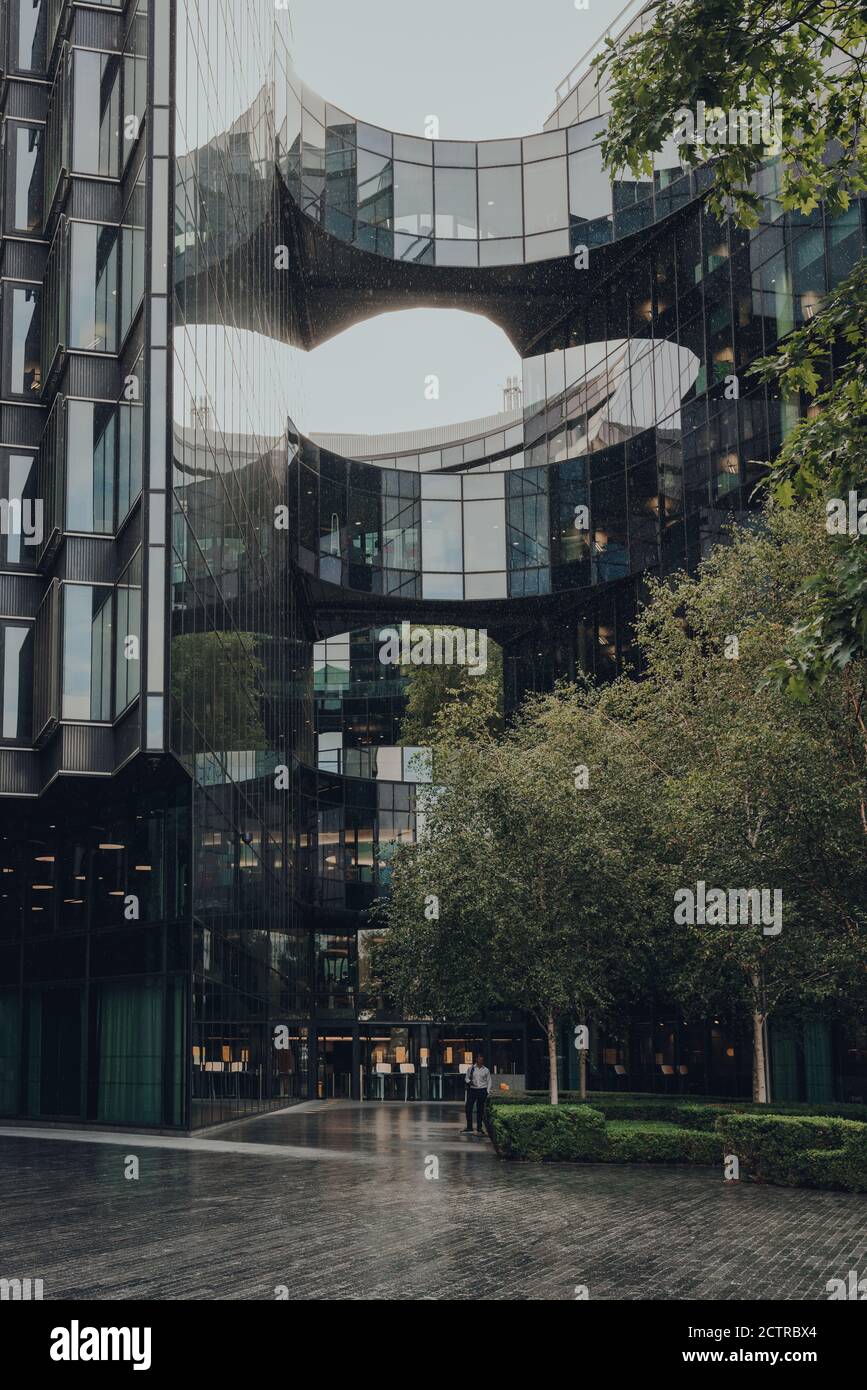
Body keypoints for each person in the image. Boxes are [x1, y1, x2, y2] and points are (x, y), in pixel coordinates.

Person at [462, 1052, 491, 1135]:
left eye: (482, 1059)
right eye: (479, 1059)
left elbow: (489, 1081)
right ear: (476, 1059)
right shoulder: (471, 1068)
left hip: (482, 1090)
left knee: (480, 1110)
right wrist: (469, 1082)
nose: (481, 1061)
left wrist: (487, 1091)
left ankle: (479, 1128)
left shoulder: (486, 1070)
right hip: (473, 1090)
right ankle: (469, 1127)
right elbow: (466, 1078)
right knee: (468, 1108)